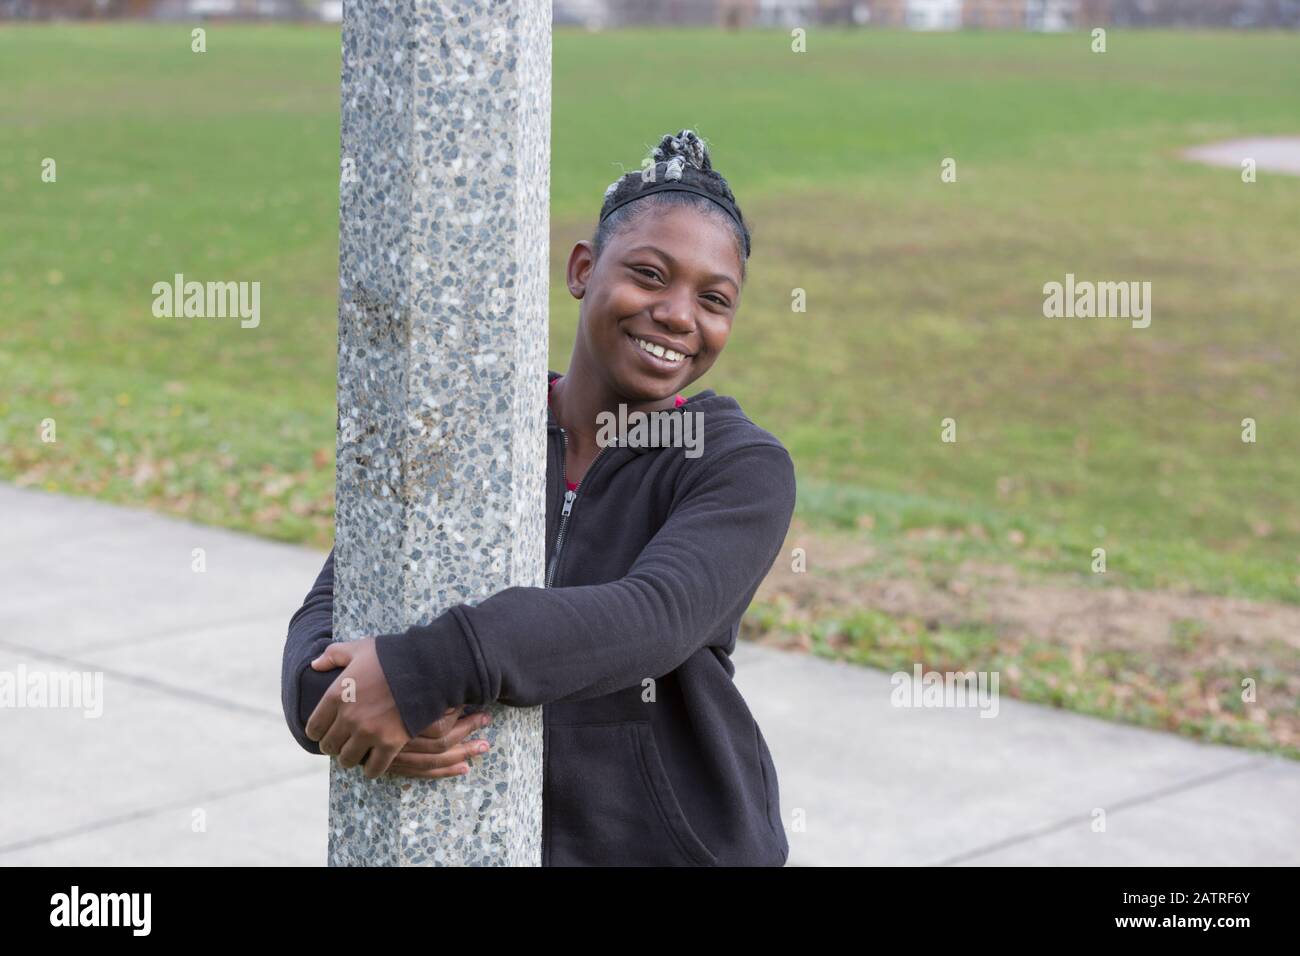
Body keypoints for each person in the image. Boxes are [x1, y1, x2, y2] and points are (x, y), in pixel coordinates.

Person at [281, 129, 796, 866]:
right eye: (650, 275)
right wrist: (328, 702)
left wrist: (425, 667)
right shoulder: (482, 425)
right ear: (583, 269)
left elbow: (655, 615)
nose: (681, 316)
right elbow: (338, 596)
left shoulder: (738, 464)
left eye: (714, 299)